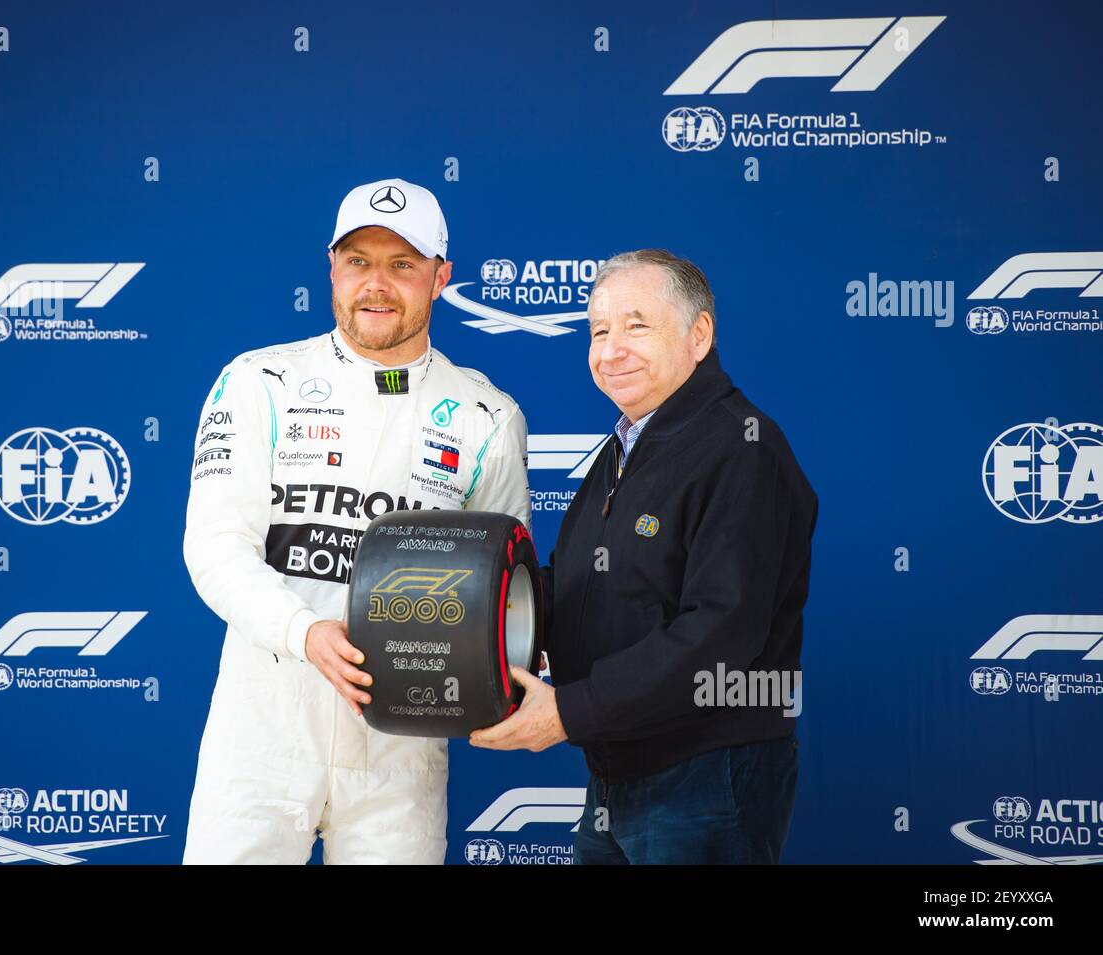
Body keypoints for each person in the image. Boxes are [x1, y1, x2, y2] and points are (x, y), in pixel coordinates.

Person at [181, 177, 532, 864]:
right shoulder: (258, 381)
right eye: (359, 261)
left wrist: (510, 678)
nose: (377, 284)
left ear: (441, 278)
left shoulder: (487, 416)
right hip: (264, 724)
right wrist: (304, 632)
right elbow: (215, 546)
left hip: (401, 745)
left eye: (403, 264)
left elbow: (509, 592)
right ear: (332, 268)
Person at [469, 249, 817, 864]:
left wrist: (570, 711)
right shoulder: (629, 446)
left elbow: (720, 632)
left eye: (636, 326)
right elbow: (587, 591)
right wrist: (466, 620)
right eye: (599, 331)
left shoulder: (742, 449)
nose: (610, 350)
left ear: (699, 335)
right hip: (616, 768)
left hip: (704, 778)